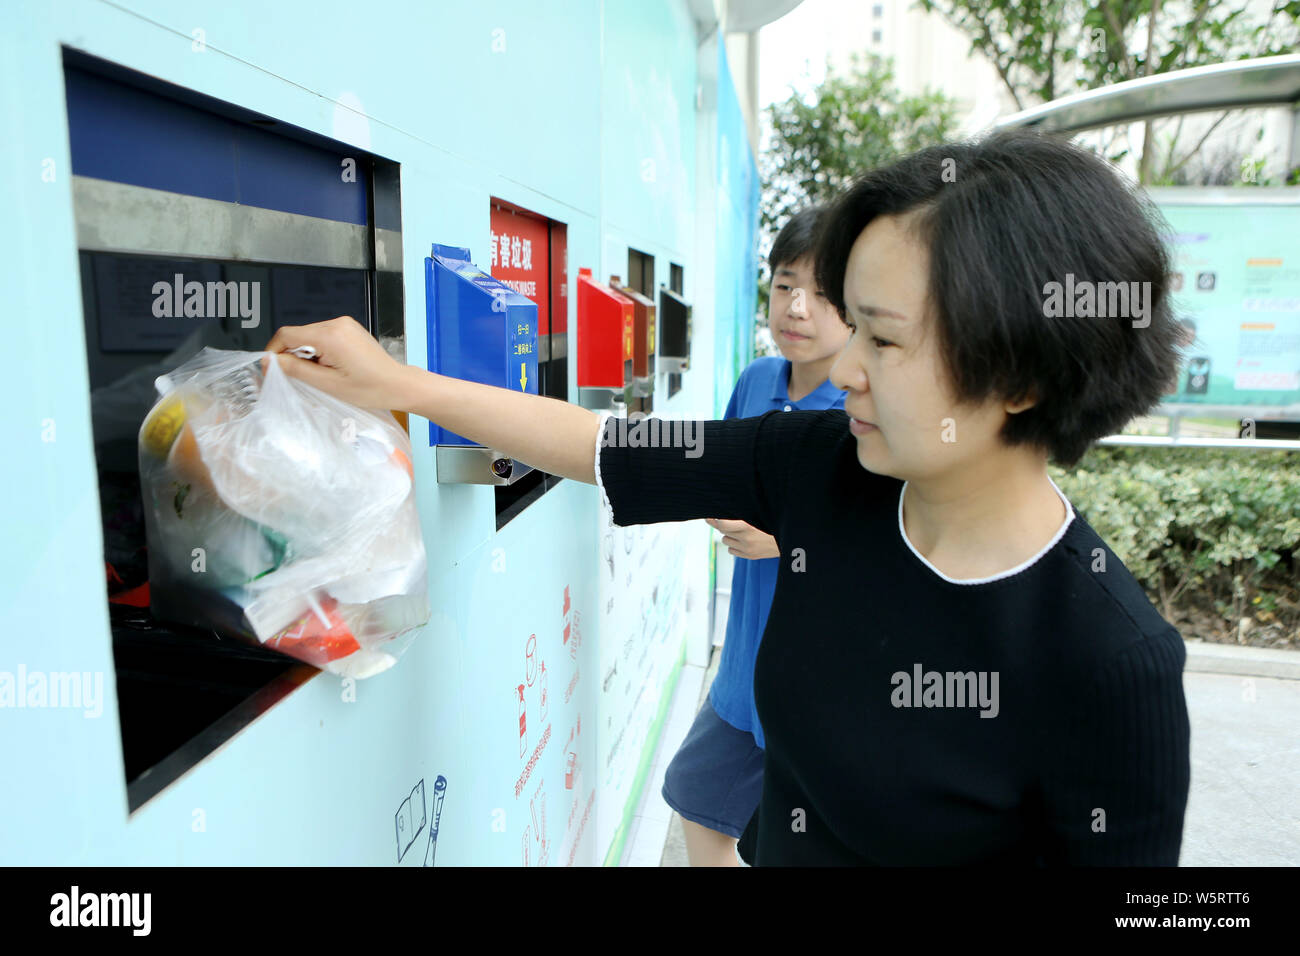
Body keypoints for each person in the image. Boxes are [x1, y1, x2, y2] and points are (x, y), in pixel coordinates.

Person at [267, 128, 1192, 865]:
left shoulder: (1110, 660)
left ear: (1020, 377)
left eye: (884, 340)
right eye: (851, 329)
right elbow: (613, 443)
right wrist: (400, 385)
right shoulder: (820, 466)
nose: (849, 372)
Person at [669, 205, 849, 867]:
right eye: (783, 285)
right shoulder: (756, 382)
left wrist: (786, 538)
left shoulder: (867, 410)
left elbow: (899, 537)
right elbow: (724, 471)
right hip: (743, 669)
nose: (796, 307)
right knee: (696, 792)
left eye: (822, 293)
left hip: (818, 688)